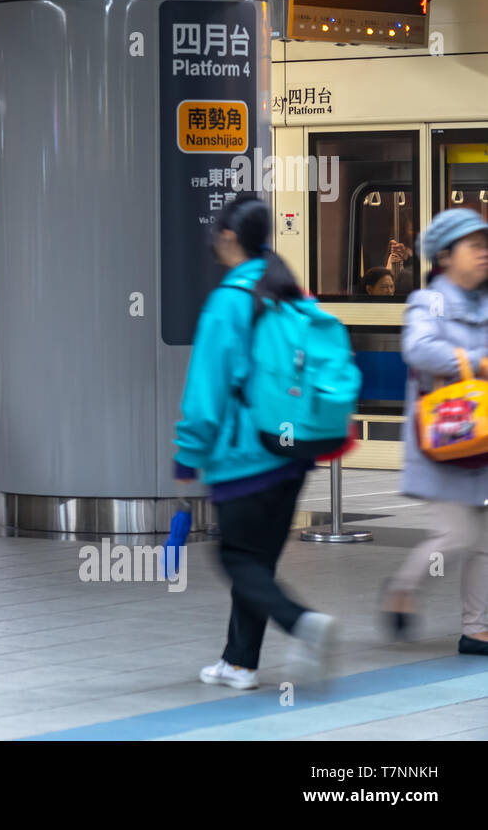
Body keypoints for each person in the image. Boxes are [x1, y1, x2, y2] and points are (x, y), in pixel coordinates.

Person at [174, 197, 337, 689]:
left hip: (245, 456)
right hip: (294, 454)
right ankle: (240, 662)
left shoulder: (228, 300)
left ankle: (302, 623)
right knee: (258, 561)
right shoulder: (291, 293)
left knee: (234, 557)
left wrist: (187, 456)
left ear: (227, 237)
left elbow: (205, 394)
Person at [381, 208, 488, 656]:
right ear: (446, 255)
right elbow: (418, 349)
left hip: (483, 436)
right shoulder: (428, 301)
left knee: (484, 536)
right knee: (457, 534)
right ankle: (401, 589)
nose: (484, 254)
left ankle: (476, 628)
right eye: (475, 246)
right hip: (445, 439)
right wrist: (476, 361)